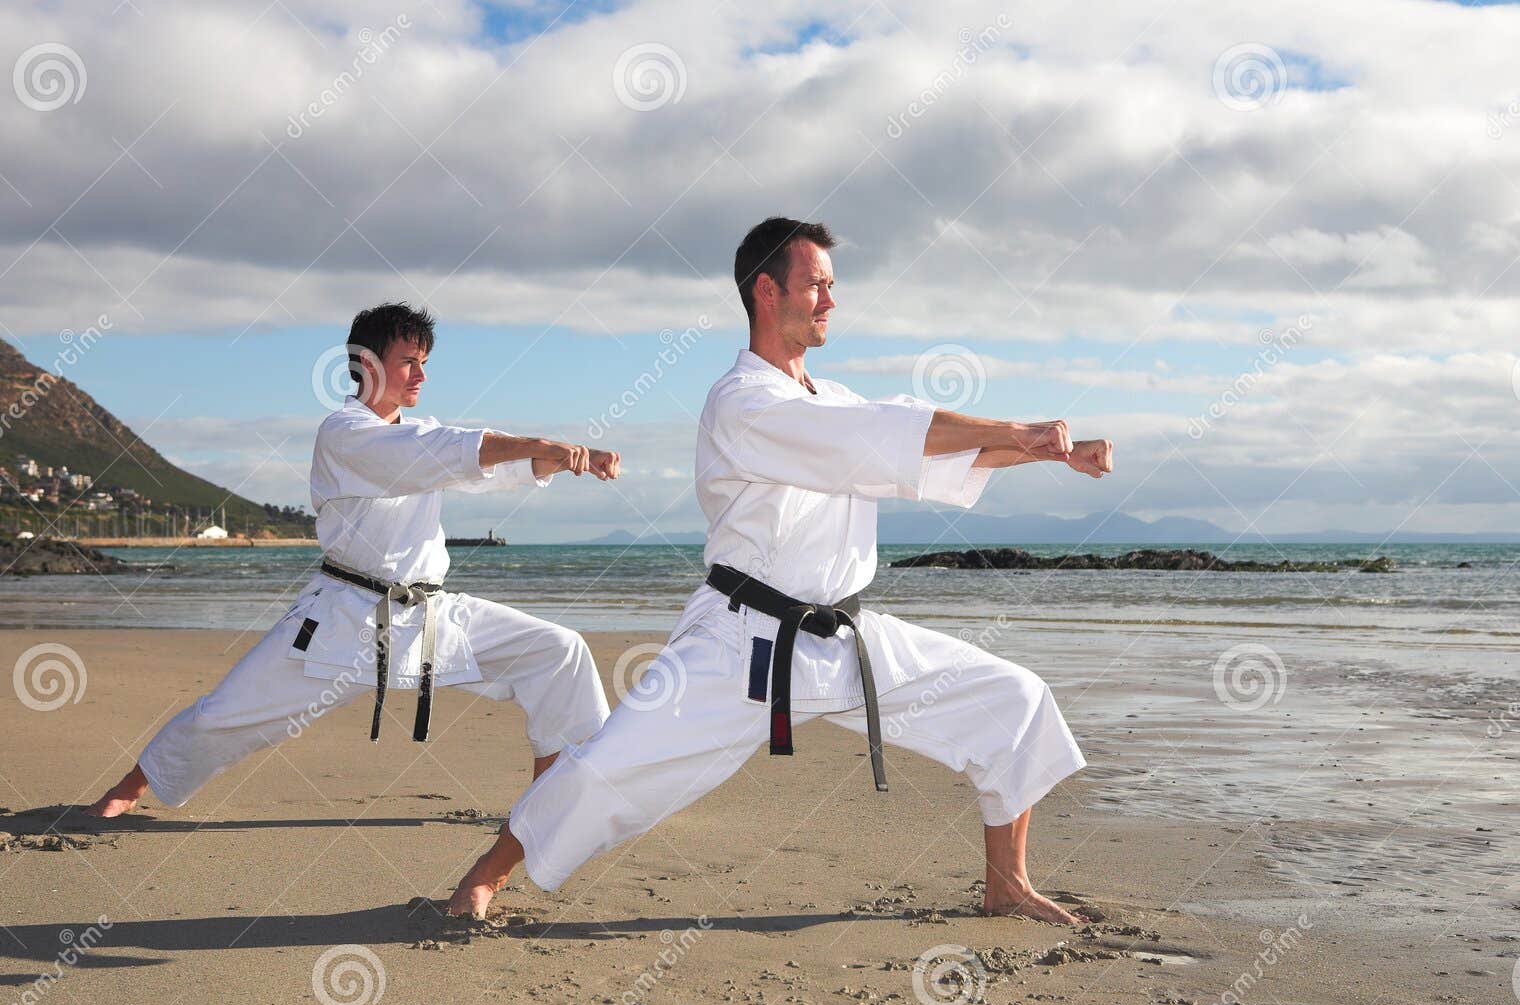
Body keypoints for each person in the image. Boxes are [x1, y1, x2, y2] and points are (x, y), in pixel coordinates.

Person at [448, 218, 1113, 922]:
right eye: (816, 284)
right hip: (742, 642)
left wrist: (1048, 451)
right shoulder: (740, 401)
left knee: (1014, 699)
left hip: (845, 636)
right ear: (767, 292)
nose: (831, 300)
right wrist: (1017, 432)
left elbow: (920, 444)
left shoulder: (836, 401)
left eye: (831, 285)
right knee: (609, 769)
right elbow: (879, 433)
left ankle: (1008, 884)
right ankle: (484, 877)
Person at [87, 302, 619, 817]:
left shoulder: (419, 434)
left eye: (424, 363)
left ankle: (551, 806)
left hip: (428, 614)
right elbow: (434, 451)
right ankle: (129, 787)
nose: (421, 375)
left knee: (559, 652)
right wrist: (537, 443)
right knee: (226, 715)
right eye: (408, 361)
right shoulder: (343, 433)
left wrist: (561, 460)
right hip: (343, 618)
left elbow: (476, 467)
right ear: (368, 364)